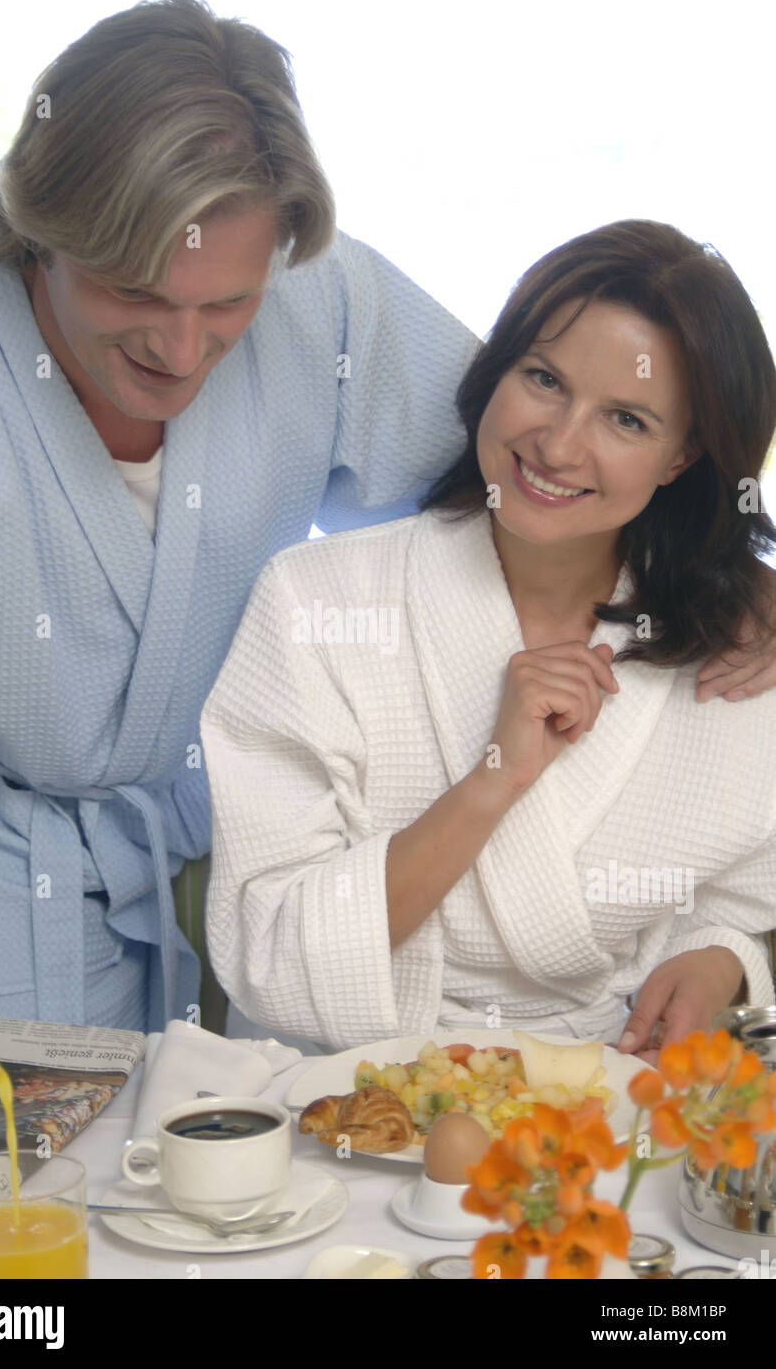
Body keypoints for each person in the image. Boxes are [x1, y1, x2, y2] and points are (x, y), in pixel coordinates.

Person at [0, 0, 771, 1034]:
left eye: (226, 304)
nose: (181, 353)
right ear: (41, 232)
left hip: (179, 875)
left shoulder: (321, 302)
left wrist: (733, 574)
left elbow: (536, 458)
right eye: (134, 291)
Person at [201, 218, 776, 1061]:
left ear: (681, 458)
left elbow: (740, 891)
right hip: (340, 1098)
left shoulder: (730, 646)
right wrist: (492, 780)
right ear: (494, 368)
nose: (557, 443)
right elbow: (273, 950)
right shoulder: (316, 600)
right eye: (543, 379)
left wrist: (720, 957)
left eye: (624, 419)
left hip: (608, 1094)